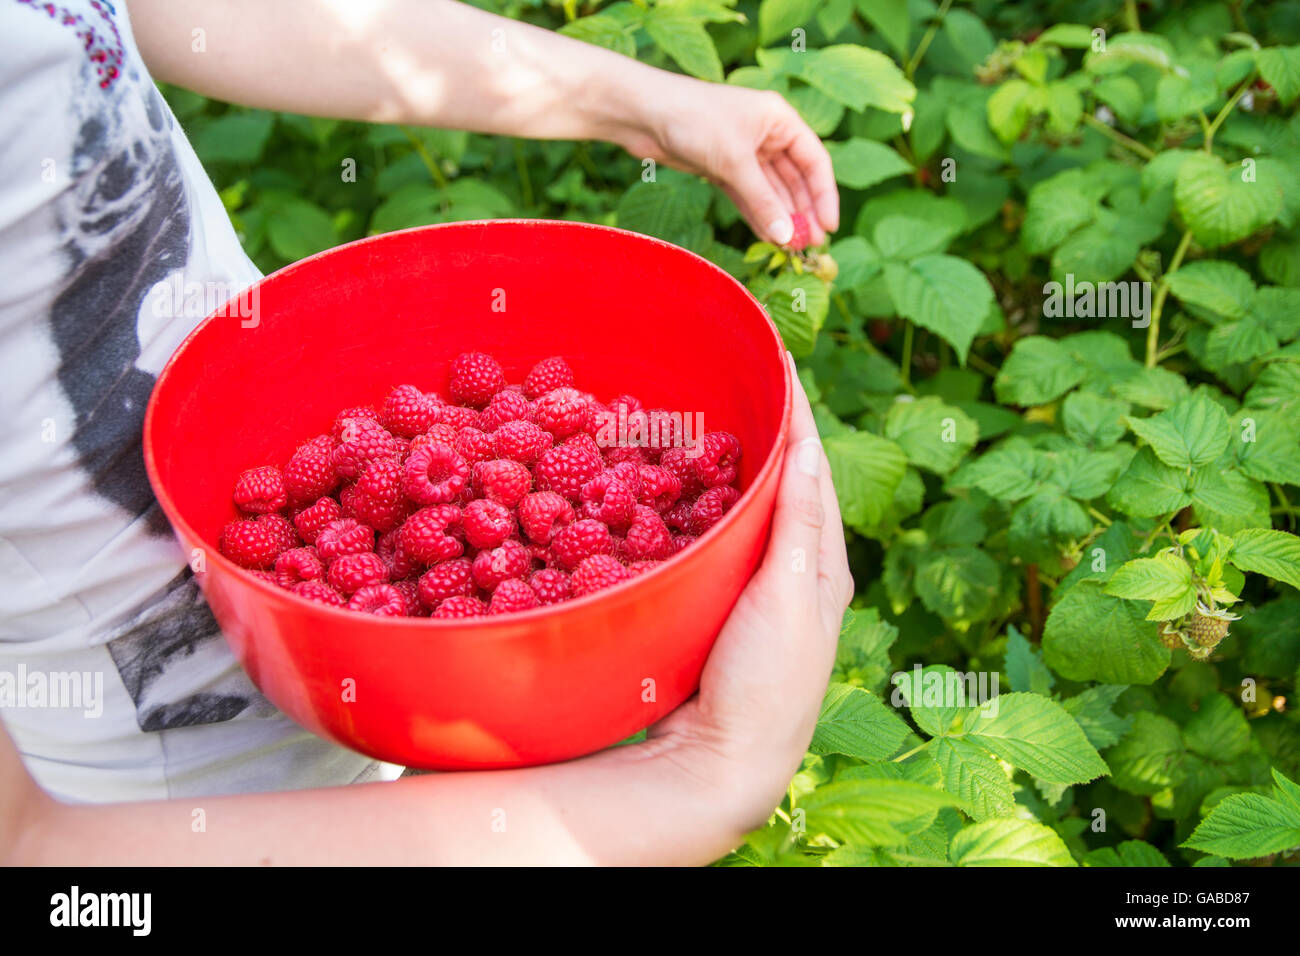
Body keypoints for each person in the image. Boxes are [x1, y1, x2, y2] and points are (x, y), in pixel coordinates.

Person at [0, 0, 850, 865]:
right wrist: (699, 782)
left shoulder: (415, 495)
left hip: (373, 642)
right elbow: (34, 852)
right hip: (158, 769)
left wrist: (648, 104)